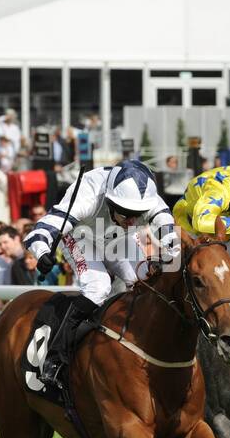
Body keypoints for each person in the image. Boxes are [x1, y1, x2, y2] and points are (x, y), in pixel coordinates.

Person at [23, 158, 178, 389]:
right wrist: (42, 252)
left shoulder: (145, 196)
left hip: (115, 236)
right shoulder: (87, 197)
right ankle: (55, 357)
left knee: (144, 280)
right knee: (98, 287)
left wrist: (168, 253)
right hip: (79, 235)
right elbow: (42, 229)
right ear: (109, 201)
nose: (133, 220)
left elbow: (167, 228)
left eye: (138, 214)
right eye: (126, 213)